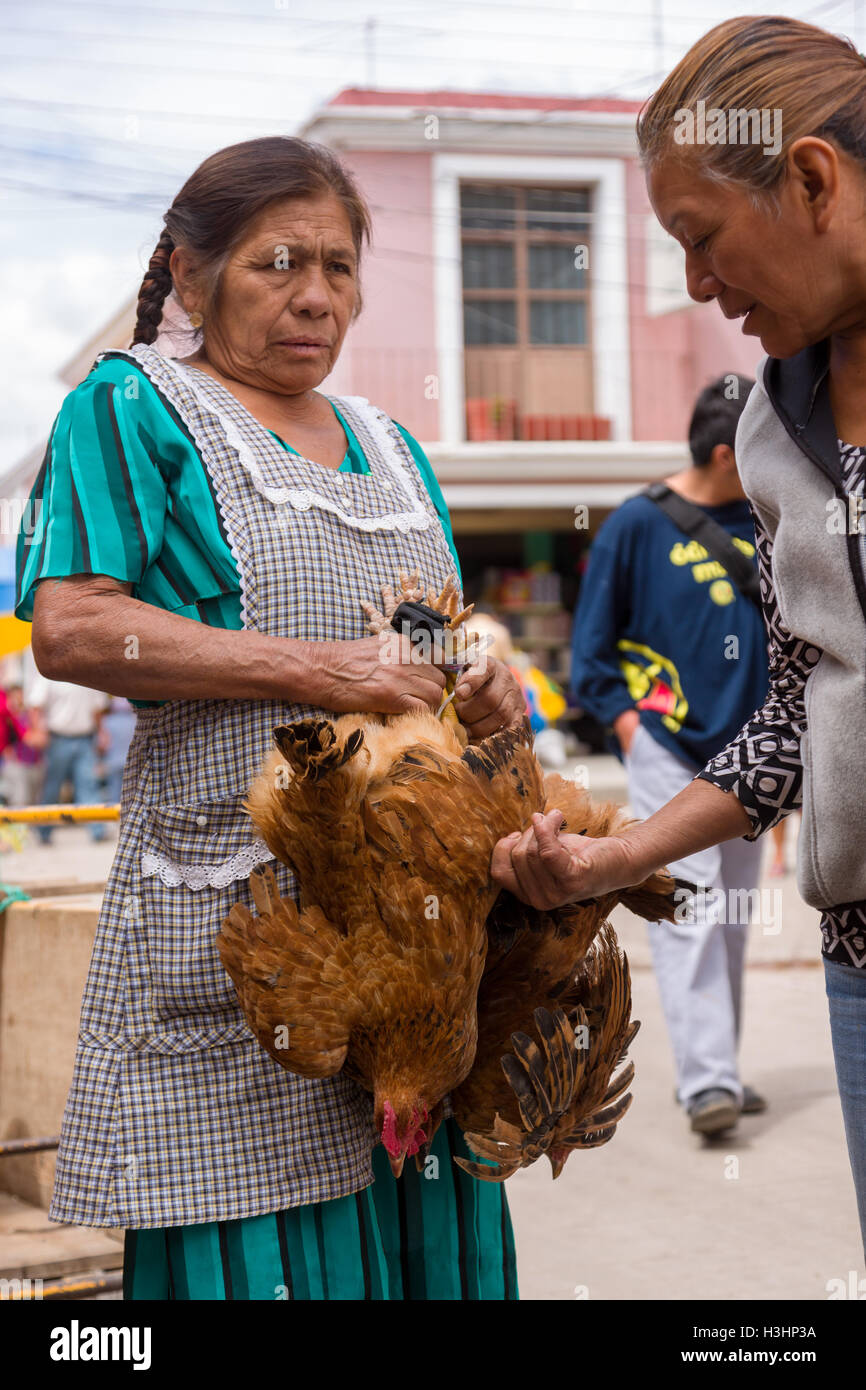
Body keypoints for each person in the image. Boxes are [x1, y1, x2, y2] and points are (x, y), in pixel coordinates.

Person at [17, 137, 525, 1301]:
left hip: (410, 940)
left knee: (420, 1229)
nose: (315, 296)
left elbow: (435, 632)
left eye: (338, 268)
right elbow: (77, 628)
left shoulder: (392, 445)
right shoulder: (133, 404)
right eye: (277, 263)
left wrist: (484, 672)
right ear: (189, 277)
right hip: (238, 915)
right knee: (260, 1256)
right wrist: (321, 673)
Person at [490, 15, 866, 1256]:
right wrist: (621, 856)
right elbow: (800, 706)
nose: (699, 287)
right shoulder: (773, 422)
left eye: (701, 239)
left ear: (809, 179)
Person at [570, 376, 769, 1135]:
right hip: (667, 751)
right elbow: (592, 656)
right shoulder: (634, 526)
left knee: (736, 916)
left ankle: (720, 1067)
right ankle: (708, 1082)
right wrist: (630, 729)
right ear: (727, 453)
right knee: (689, 912)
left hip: (754, 758)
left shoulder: (768, 516)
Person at [26, 675, 110, 843]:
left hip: (85, 738)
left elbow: (97, 710)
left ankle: (97, 830)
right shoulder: (51, 675)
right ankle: (43, 830)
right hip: (58, 738)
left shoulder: (88, 675)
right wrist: (38, 730)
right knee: (51, 787)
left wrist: (101, 732)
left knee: (88, 784)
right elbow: (35, 706)